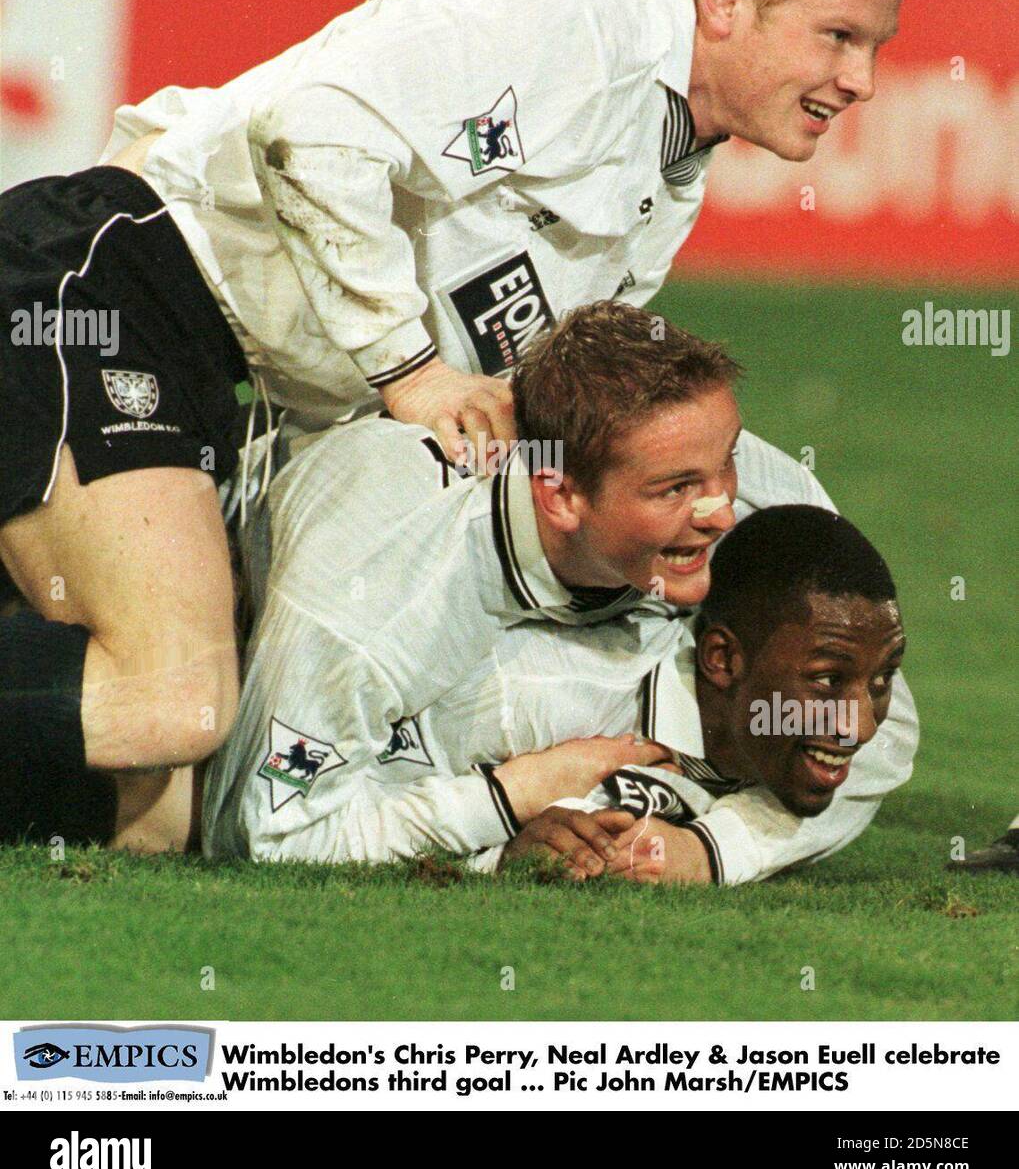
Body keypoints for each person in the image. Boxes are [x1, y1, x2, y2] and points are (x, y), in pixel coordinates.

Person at [0, 0, 923, 846]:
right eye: (837, 36)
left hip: (207, 377)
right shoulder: (563, 7)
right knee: (174, 700)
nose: (859, 80)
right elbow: (308, 129)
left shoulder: (663, 174)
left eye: (871, 47)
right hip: (109, 278)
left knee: (161, 804)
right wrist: (405, 367)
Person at [201, 309, 919, 878]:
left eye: (725, 462)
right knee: (156, 813)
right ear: (562, 496)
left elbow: (882, 728)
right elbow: (270, 835)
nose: (721, 511)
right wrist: (512, 798)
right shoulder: (376, 604)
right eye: (676, 489)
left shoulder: (740, 494)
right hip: (212, 574)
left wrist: (712, 852)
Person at [510, 504, 912, 884]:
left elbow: (890, 748)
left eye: (882, 677)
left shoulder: (810, 736)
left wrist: (709, 851)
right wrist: (500, 832)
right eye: (827, 680)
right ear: (722, 659)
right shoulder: (549, 697)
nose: (860, 728)